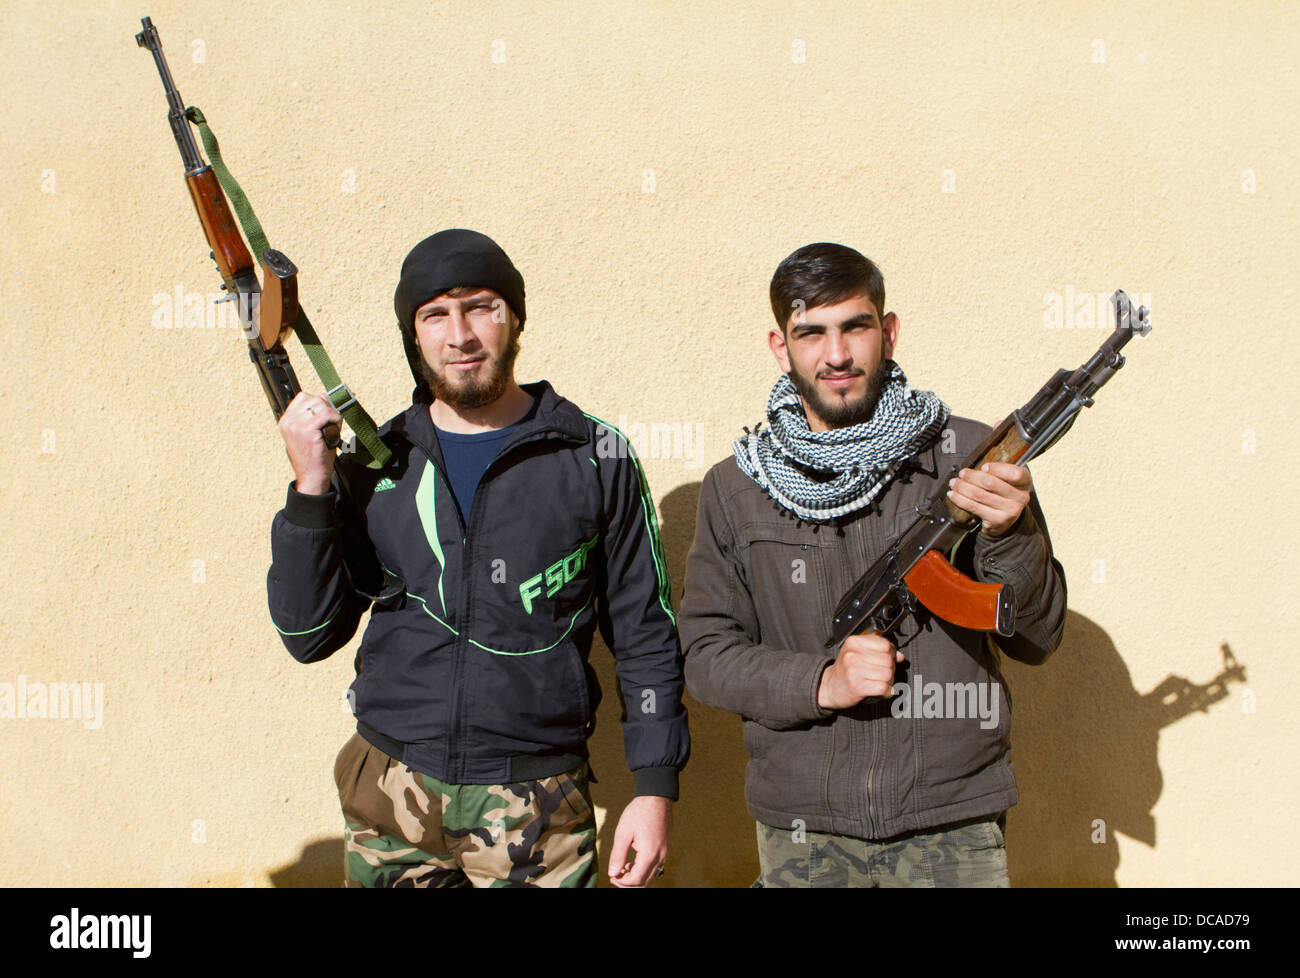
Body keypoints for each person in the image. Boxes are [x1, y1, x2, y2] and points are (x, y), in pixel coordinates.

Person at [267, 229, 688, 888]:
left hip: (536, 806)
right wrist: (310, 488)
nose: (460, 334)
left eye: (480, 306)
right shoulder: (382, 463)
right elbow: (307, 634)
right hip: (390, 793)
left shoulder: (593, 456)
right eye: (435, 314)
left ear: (514, 317)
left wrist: (655, 787)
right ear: (414, 335)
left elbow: (644, 632)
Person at [678, 242, 1066, 888]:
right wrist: (820, 682)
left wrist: (1011, 530)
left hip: (954, 826)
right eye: (812, 334)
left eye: (855, 327)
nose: (836, 355)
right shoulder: (738, 486)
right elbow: (706, 655)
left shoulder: (965, 453)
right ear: (781, 347)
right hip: (804, 832)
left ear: (887, 332)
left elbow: (1039, 635)